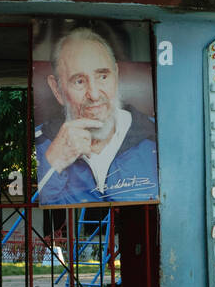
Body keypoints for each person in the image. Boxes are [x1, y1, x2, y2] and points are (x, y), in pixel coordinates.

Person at [33, 27, 158, 205]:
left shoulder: (157, 136)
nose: (94, 94)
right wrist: (53, 163)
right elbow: (33, 214)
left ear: (116, 75)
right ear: (57, 89)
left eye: (103, 76)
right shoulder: (40, 144)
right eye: (79, 81)